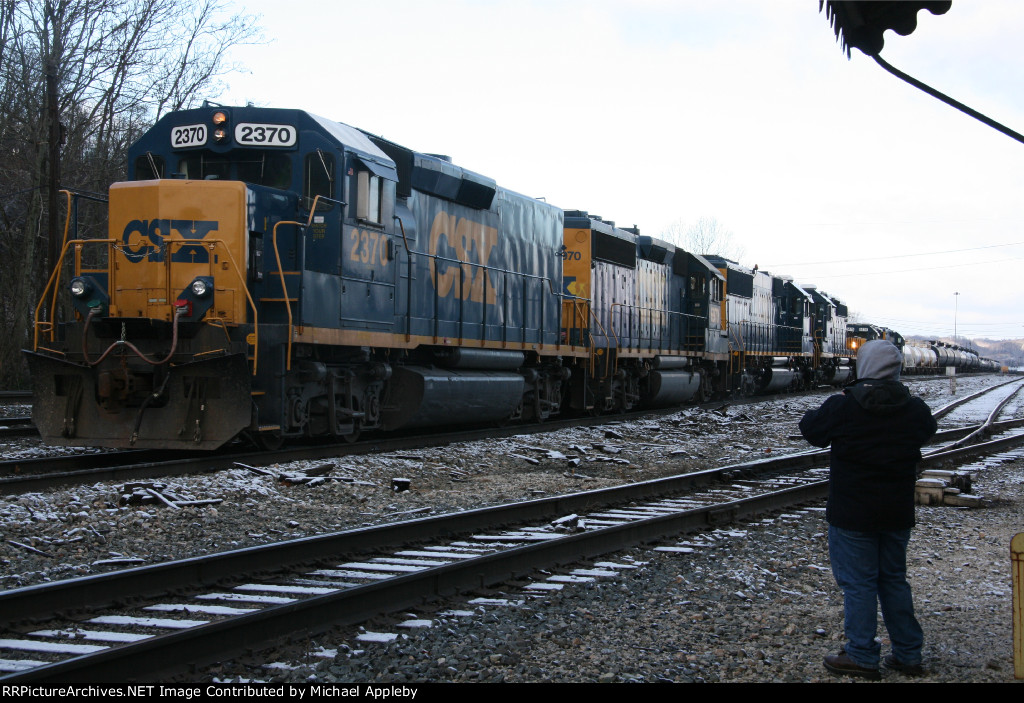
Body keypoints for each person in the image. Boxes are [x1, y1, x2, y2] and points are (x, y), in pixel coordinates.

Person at [799, 339, 937, 680]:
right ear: (897, 369)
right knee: (893, 580)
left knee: (859, 584)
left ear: (863, 367)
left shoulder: (844, 406)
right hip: (896, 512)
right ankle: (908, 654)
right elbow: (928, 432)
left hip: (852, 513)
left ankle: (861, 655)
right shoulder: (914, 408)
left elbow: (811, 431)